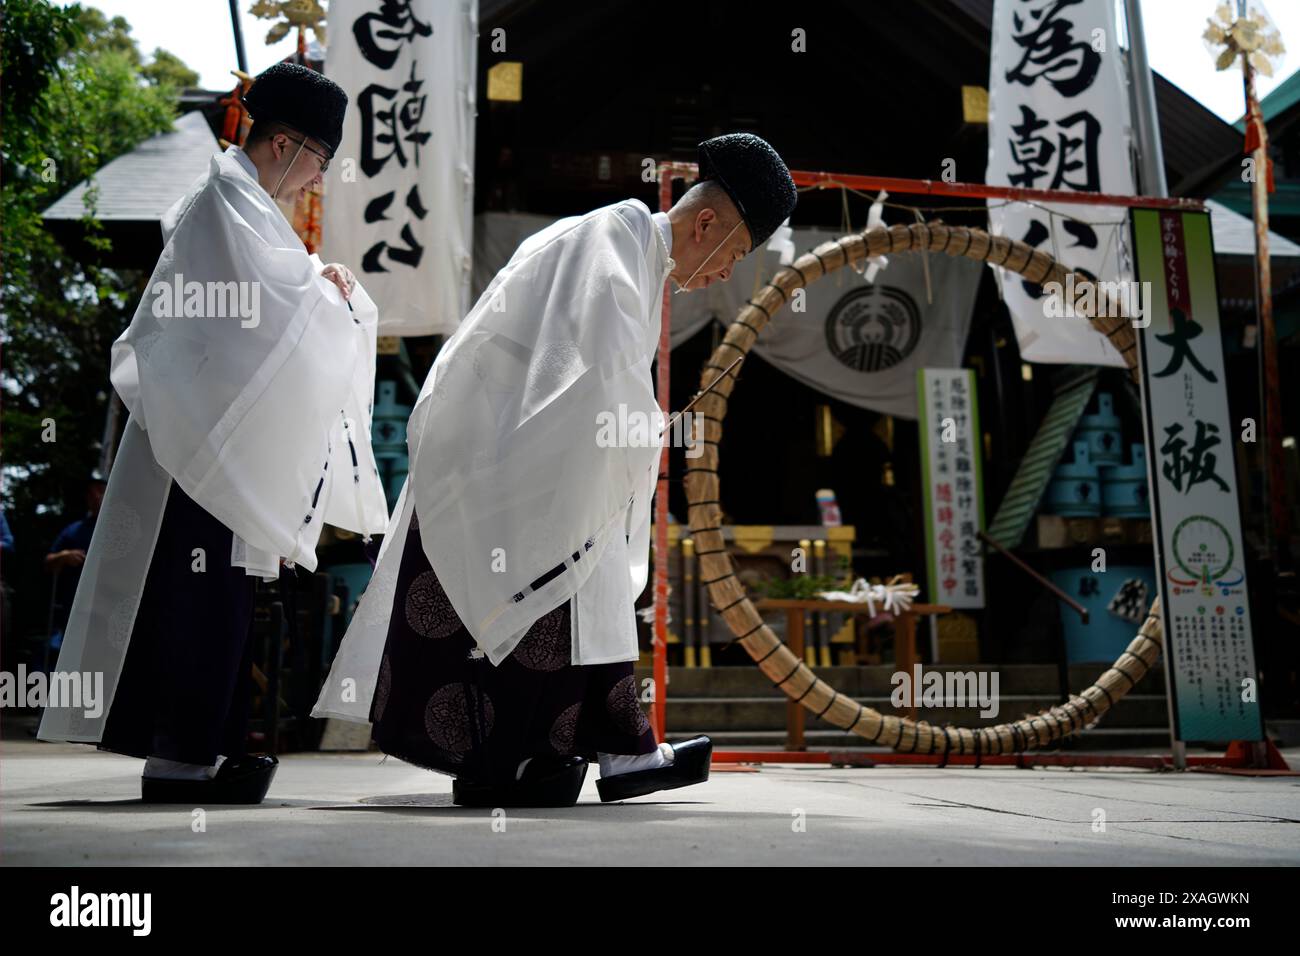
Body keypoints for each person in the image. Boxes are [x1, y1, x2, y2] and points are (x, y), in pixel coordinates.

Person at [315, 133, 797, 806]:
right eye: (736, 254)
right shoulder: (618, 236)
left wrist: (634, 435)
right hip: (496, 456)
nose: (726, 274)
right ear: (707, 223)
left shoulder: (629, 249)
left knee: (579, 579)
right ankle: (520, 763)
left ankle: (597, 753)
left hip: (511, 445)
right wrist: (647, 432)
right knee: (551, 585)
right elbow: (592, 373)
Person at [38, 63, 389, 805]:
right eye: (318, 163)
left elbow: (270, 309)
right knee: (196, 598)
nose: (315, 181)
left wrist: (318, 287)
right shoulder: (226, 201)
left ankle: (207, 751)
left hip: (213, 445)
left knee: (217, 599)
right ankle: (182, 759)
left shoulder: (244, 208)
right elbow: (252, 324)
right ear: (286, 143)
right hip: (201, 452)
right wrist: (324, 296)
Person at [43, 474, 107, 655]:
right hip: (73, 608)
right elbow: (48, 562)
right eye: (91, 492)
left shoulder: (120, 527)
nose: (96, 496)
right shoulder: (74, 530)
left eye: (101, 491)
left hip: (107, 608)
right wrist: (63, 556)